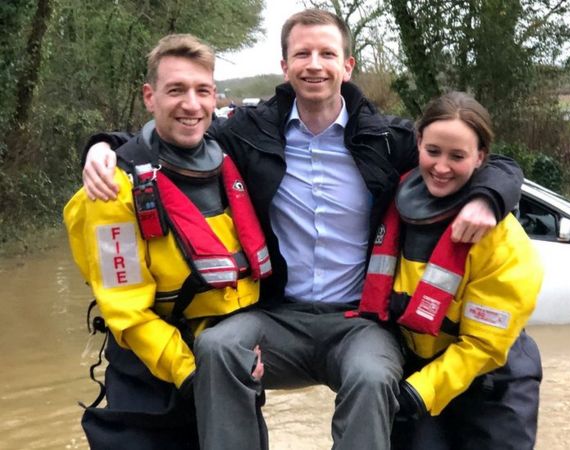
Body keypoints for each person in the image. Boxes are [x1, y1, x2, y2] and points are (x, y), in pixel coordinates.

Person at [81, 9, 524, 450]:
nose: (314, 64)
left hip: (357, 322)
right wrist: (103, 147)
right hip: (277, 317)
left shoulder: (390, 140)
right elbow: (178, 129)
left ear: (347, 66)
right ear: (285, 65)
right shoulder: (246, 132)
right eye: (302, 53)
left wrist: (491, 196)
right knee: (217, 348)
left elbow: (470, 156)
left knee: (372, 377)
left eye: (326, 53)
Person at [64, 34, 270, 449]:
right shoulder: (114, 187)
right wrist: (195, 373)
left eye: (202, 91)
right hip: (150, 391)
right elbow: (127, 313)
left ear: (215, 97)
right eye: (175, 90)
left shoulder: (233, 158)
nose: (191, 105)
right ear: (149, 96)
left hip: (232, 369)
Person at [357, 91, 543, 450]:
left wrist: (417, 392)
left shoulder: (503, 239)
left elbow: (482, 346)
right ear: (418, 144)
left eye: (457, 156)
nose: (441, 167)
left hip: (491, 384)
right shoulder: (394, 203)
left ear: (480, 158)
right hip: (420, 373)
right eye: (433, 152)